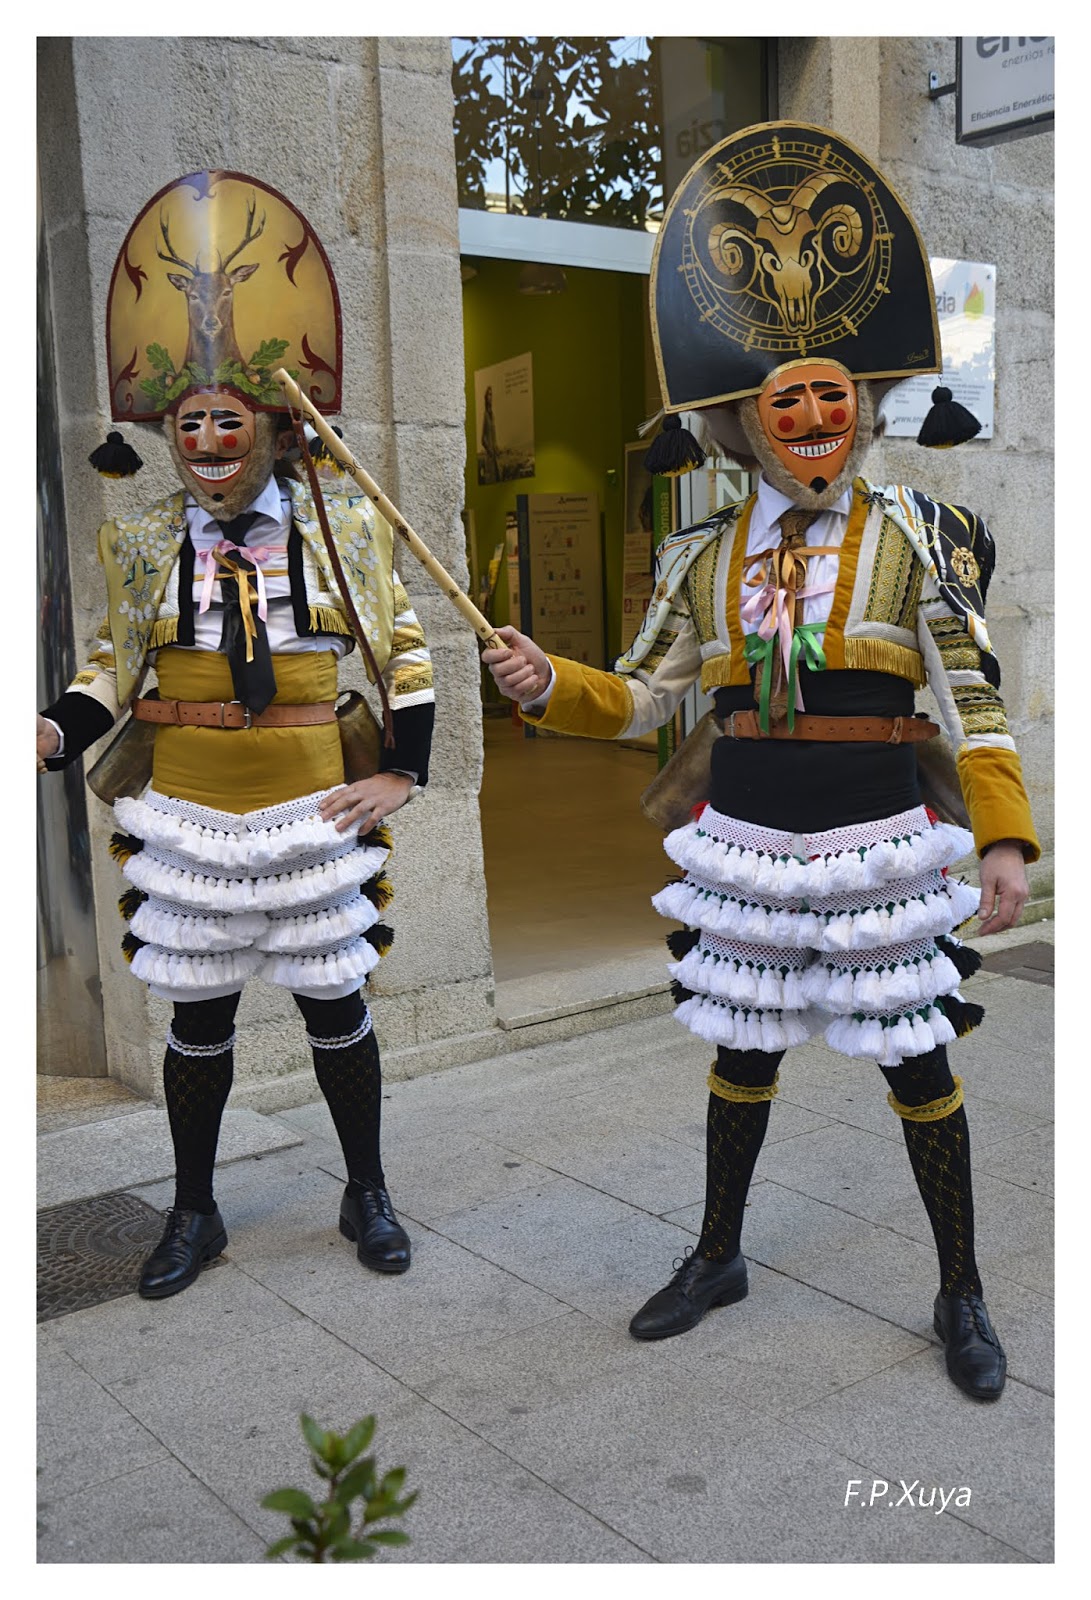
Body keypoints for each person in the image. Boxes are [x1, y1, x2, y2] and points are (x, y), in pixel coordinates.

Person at [483, 122, 1039, 1401]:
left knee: (916, 1057)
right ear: (741, 420)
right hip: (744, 836)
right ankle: (716, 1253)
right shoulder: (699, 557)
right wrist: (546, 683)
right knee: (740, 1050)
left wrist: (1002, 837)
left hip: (874, 835)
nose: (807, 418)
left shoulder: (920, 536)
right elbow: (643, 703)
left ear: (864, 410)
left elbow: (975, 698)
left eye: (830, 394)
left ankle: (960, 1290)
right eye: (781, 399)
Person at [37, 171, 435, 1299]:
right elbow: (112, 666)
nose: (208, 438)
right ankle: (195, 1210)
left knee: (334, 1002)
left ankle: (366, 1190)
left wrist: (402, 771)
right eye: (188, 421)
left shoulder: (343, 521)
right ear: (166, 435)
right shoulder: (144, 539)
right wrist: (54, 732)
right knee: (196, 1012)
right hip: (192, 809)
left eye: (230, 418)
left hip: (316, 801)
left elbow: (403, 653)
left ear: (273, 424)